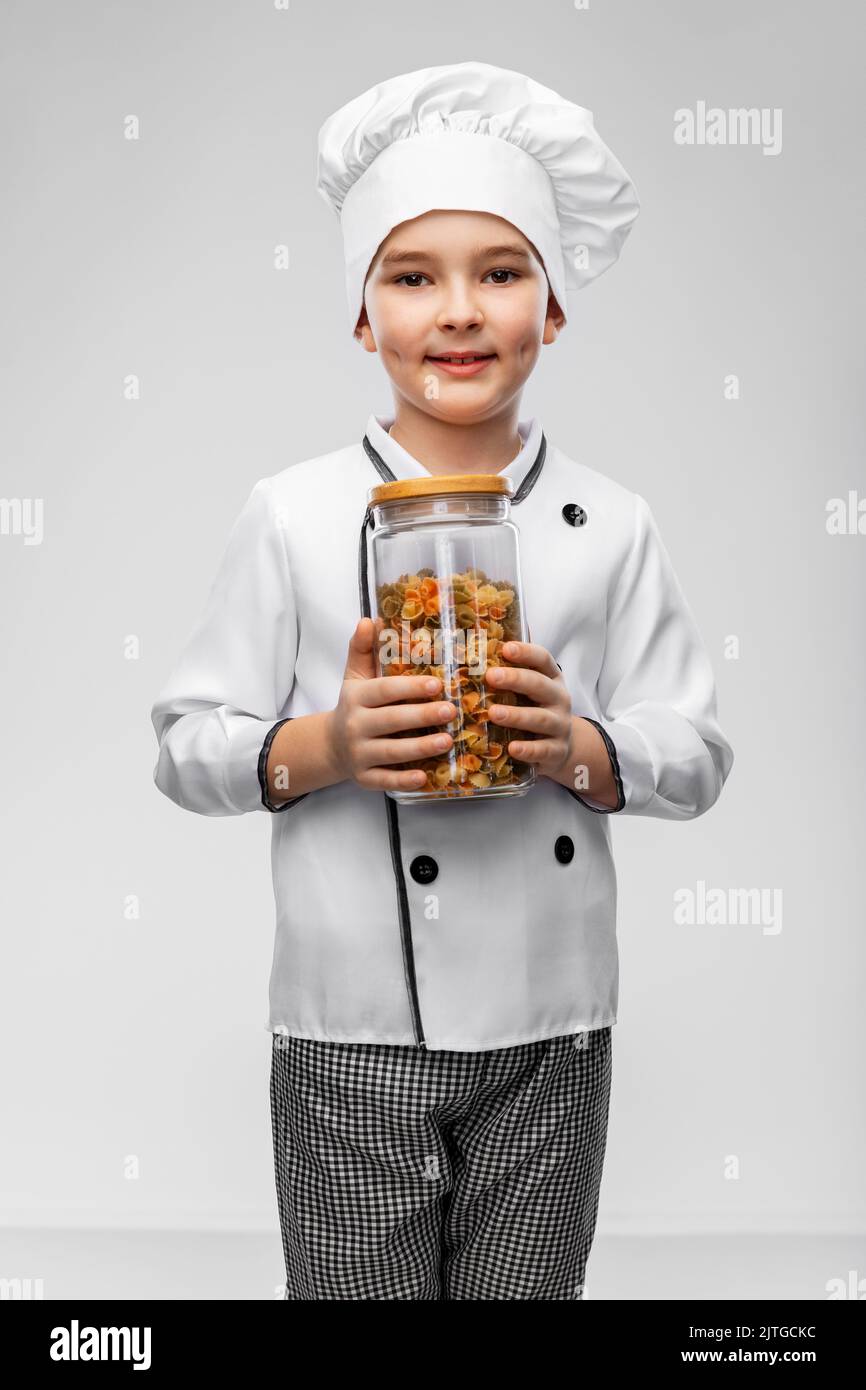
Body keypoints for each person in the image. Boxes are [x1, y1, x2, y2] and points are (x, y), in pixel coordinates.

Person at [150, 61, 734, 1300]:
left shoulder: (610, 520)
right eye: (413, 277)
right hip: (347, 1026)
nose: (457, 311)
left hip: (552, 1024)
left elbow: (694, 749)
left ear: (555, 308)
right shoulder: (293, 512)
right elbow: (186, 742)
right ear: (362, 316)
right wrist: (327, 748)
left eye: (501, 271)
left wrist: (578, 747)